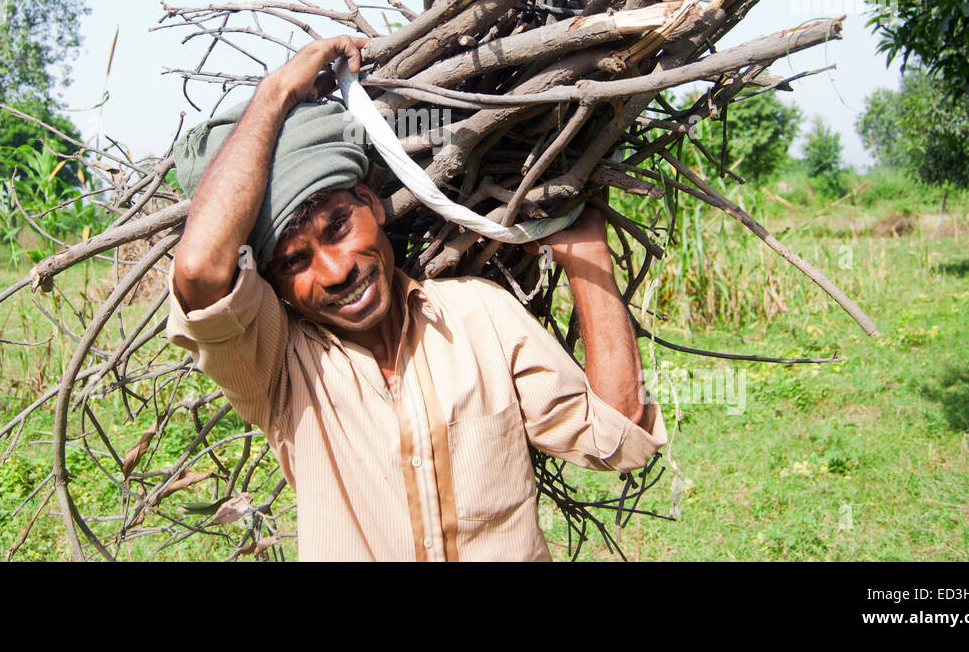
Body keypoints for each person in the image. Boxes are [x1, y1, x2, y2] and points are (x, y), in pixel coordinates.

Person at [167, 35, 666, 561]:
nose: (336, 272)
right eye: (294, 260)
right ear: (270, 280)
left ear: (371, 203)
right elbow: (200, 269)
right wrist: (277, 91)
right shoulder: (279, 370)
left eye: (338, 227)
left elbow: (617, 433)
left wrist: (588, 266)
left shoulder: (481, 316)